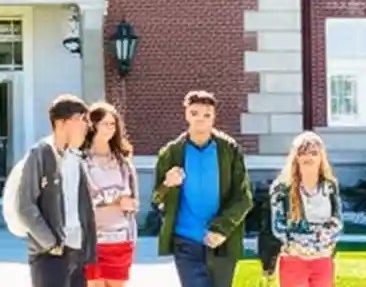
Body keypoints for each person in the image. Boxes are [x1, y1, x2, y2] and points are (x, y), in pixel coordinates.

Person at [151, 90, 253, 287]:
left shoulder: (229, 150)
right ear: (186, 114)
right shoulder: (171, 153)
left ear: (214, 117)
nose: (201, 119)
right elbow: (156, 198)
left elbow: (244, 197)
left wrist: (221, 229)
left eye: (207, 114)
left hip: (222, 241)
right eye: (195, 113)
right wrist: (166, 185)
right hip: (186, 241)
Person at [16, 94, 98, 287]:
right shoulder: (41, 154)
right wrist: (50, 243)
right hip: (50, 254)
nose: (86, 125)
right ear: (61, 122)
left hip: (77, 251)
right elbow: (25, 204)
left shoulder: (75, 157)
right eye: (80, 119)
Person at [270, 131, 343, 287]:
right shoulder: (282, 189)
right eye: (303, 153)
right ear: (296, 157)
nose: (308, 157)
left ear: (321, 157)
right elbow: (278, 226)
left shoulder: (330, 186)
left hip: (322, 259)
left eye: (314, 153)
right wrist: (303, 245)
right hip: (294, 259)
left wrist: (320, 241)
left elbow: (337, 221)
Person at [82, 102, 139, 287]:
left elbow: (132, 199)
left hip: (120, 238)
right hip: (91, 239)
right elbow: (84, 198)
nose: (110, 128)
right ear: (93, 125)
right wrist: (114, 200)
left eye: (113, 124)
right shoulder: (81, 161)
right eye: (105, 123)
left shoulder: (123, 162)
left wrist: (130, 204)